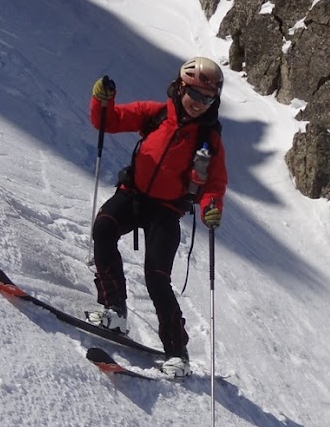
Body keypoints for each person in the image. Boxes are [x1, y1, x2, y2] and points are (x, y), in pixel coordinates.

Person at [84, 57, 228, 377]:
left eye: (208, 99)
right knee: (104, 228)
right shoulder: (157, 113)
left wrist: (210, 207)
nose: (200, 104)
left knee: (156, 276)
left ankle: (177, 352)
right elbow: (109, 121)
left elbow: (214, 185)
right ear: (180, 87)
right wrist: (101, 100)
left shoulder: (209, 139)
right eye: (196, 94)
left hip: (166, 210)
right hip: (134, 196)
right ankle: (114, 309)